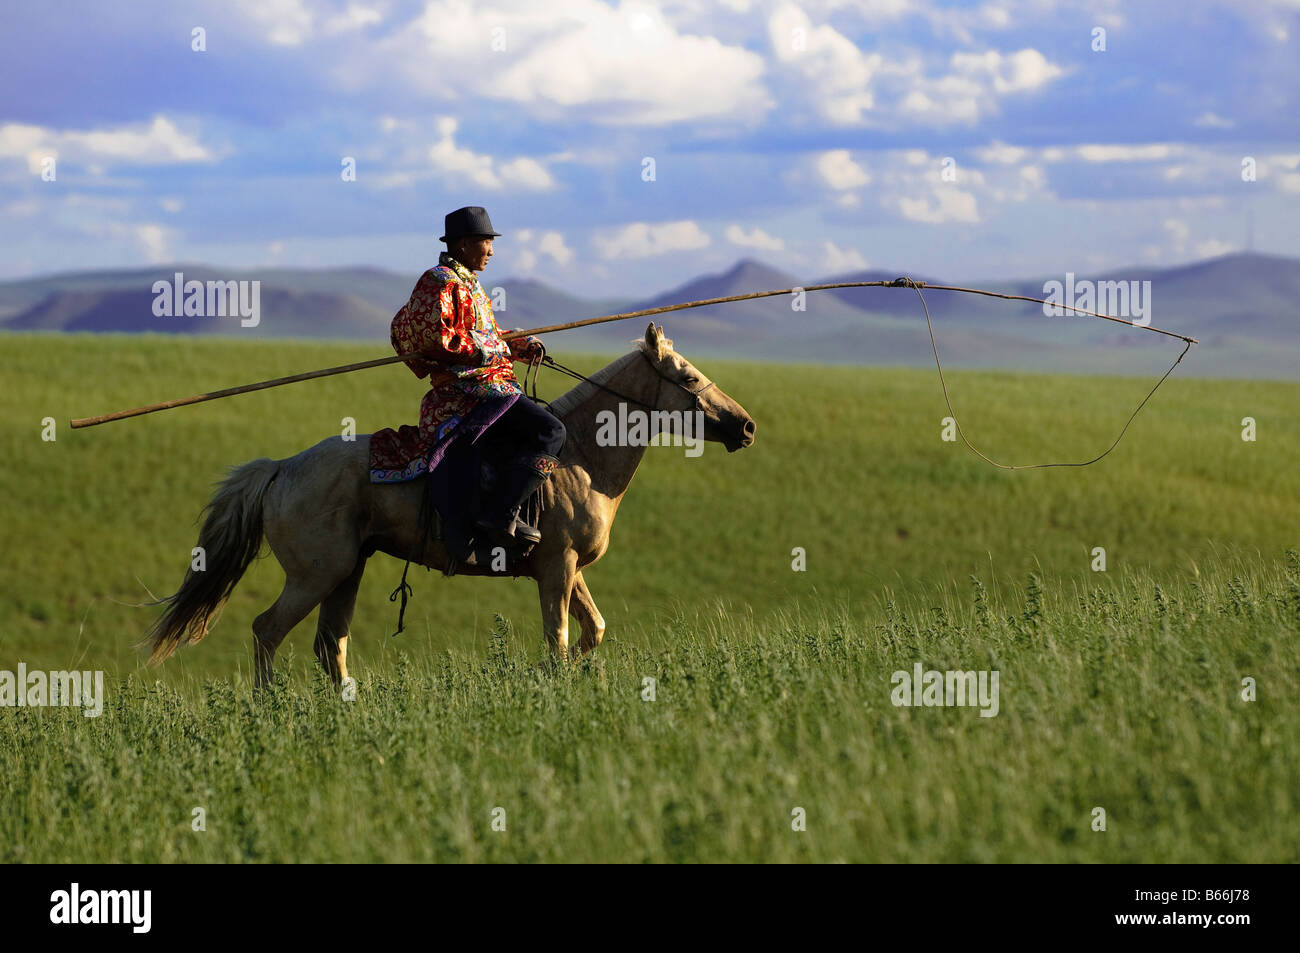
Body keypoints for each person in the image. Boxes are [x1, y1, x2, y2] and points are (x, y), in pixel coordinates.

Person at [379, 206, 565, 547]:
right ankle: (499, 513)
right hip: (464, 392)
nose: (492, 251)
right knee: (551, 429)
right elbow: (437, 338)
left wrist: (521, 344)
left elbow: (486, 334)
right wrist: (487, 348)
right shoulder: (438, 281)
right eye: (486, 242)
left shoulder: (470, 285)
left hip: (489, 385)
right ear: (464, 244)